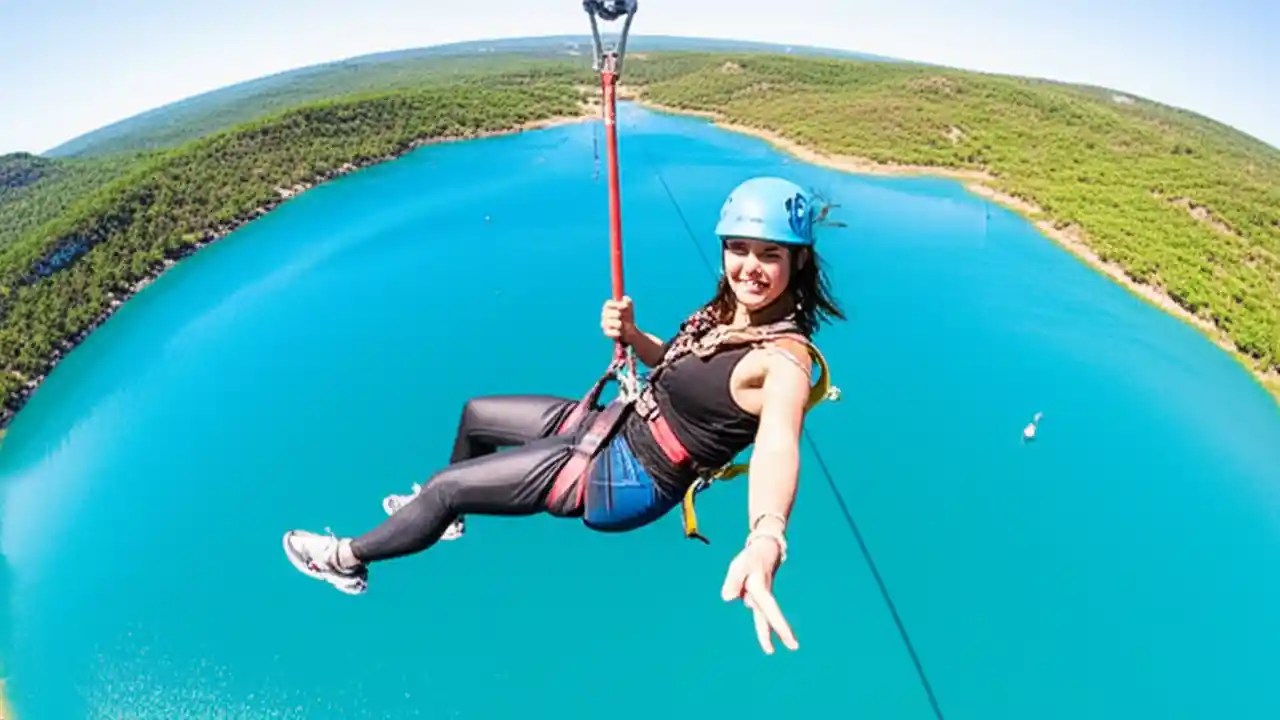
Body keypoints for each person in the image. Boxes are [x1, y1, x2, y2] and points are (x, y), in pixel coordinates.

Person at [281, 175, 846, 654]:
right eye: (739, 249)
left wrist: (765, 540)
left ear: (798, 262)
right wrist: (634, 337)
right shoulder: (733, 313)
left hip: (627, 477)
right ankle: (442, 522)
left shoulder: (782, 362)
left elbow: (778, 446)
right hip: (618, 423)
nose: (749, 267)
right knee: (476, 415)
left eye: (769, 254)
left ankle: (346, 559)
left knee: (447, 486)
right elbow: (679, 363)